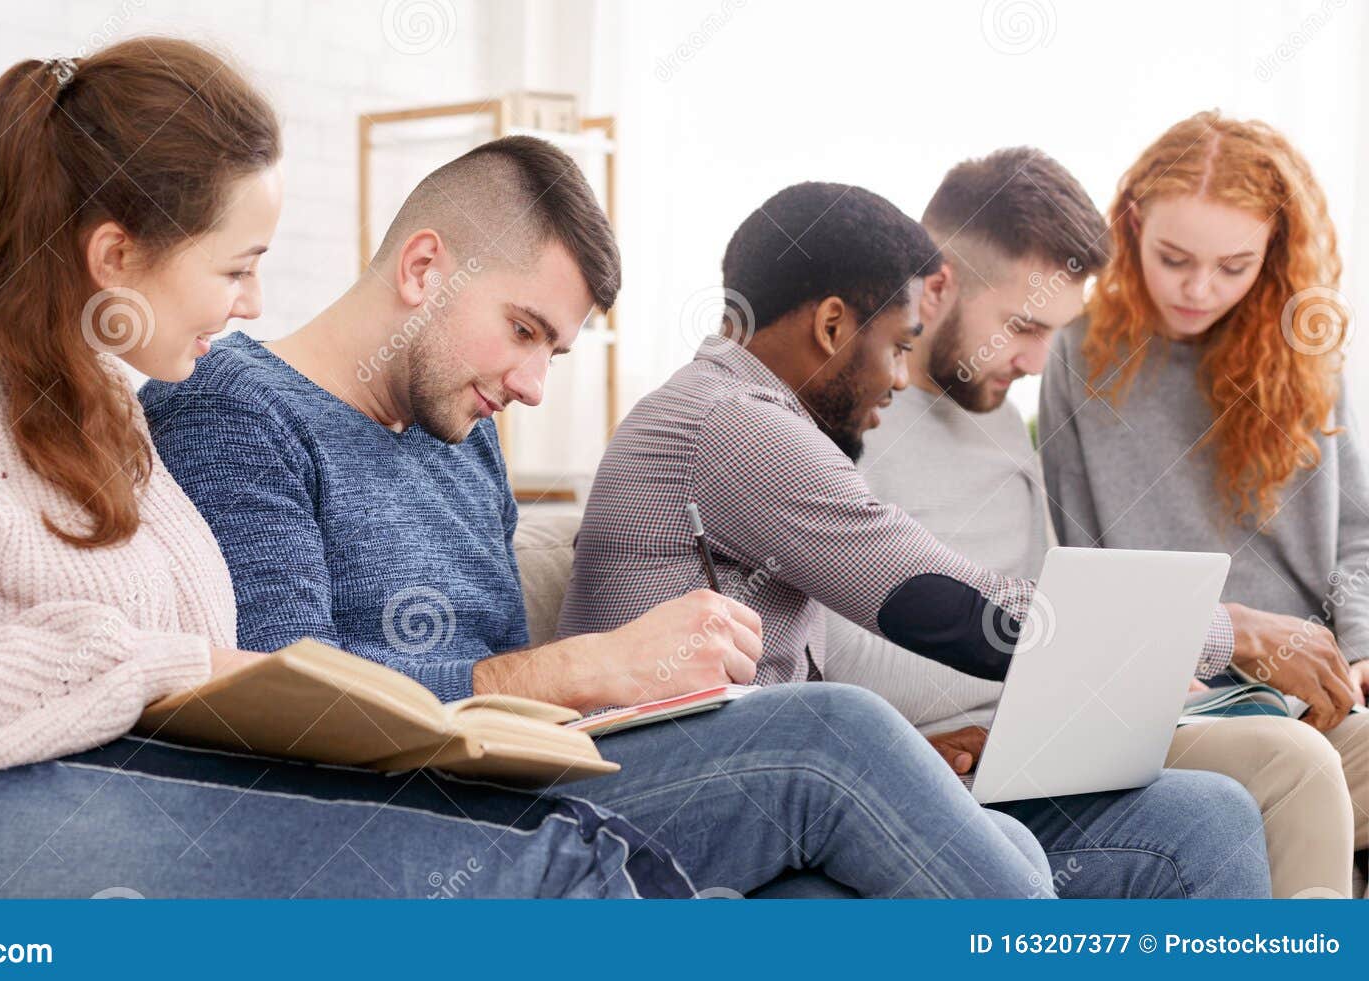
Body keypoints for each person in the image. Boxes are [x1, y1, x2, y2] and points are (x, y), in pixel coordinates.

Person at [0, 39, 696, 900]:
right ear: (115, 255)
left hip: (92, 781)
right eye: (237, 267)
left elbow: (191, 662)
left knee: (574, 840)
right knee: (546, 869)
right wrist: (149, 663)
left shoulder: (96, 399)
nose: (252, 302)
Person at [143, 136, 1062, 898]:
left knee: (983, 857)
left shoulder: (460, 433)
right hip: (401, 827)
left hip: (534, 784)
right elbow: (280, 704)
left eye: (556, 349)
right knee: (835, 737)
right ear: (424, 267)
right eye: (525, 329)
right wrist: (589, 667)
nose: (535, 385)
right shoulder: (236, 405)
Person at [560, 179, 1272, 898]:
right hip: (650, 794)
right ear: (834, 325)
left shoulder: (766, 422)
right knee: (847, 730)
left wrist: (907, 758)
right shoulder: (736, 423)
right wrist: (1221, 632)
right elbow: (954, 611)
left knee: (1207, 820)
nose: (903, 377)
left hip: (759, 779)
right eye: (898, 345)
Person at [823, 146, 1366, 898]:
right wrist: (1209, 633)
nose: (1042, 362)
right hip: (1009, 741)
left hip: (1070, 721)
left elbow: (1052, 591)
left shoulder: (994, 412)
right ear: (939, 282)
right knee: (1290, 769)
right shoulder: (847, 419)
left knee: (1293, 763)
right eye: (1023, 325)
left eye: (1053, 331)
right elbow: (843, 642)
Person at [1038, 111, 1369, 889]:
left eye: (1234, 265)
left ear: (1275, 253)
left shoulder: (1307, 348)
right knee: (1295, 774)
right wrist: (1157, 659)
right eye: (1174, 258)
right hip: (1175, 700)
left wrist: (1360, 648)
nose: (1198, 288)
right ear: (1131, 226)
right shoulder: (1079, 355)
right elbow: (1076, 560)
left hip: (1313, 686)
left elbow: (1357, 532)